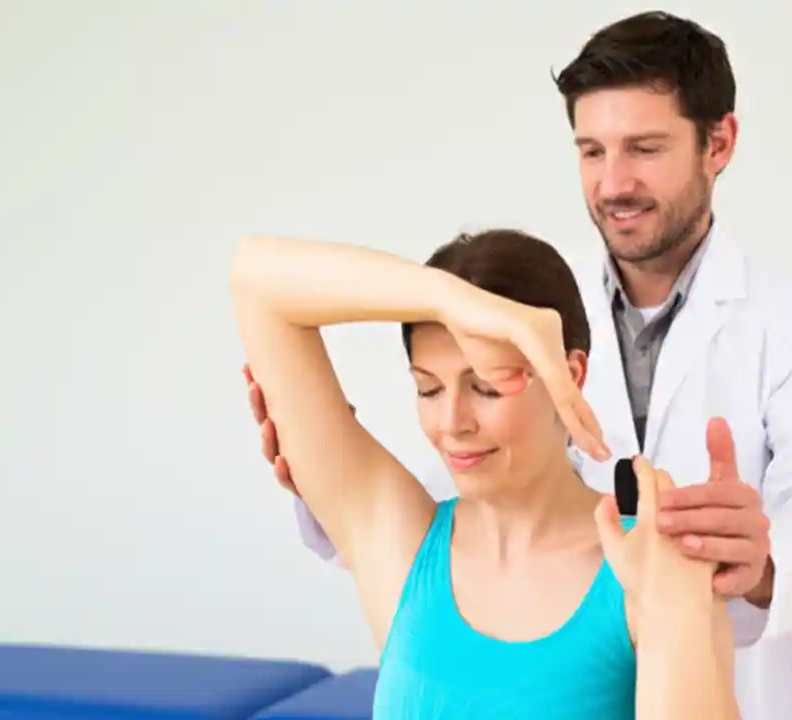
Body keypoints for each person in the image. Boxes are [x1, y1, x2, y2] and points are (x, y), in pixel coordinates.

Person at [245, 11, 792, 720]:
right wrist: (327, 458)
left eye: (644, 148)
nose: (614, 184)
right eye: (591, 151)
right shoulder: (524, 304)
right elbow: (481, 480)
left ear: (719, 143)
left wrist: (757, 564)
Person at [231, 229, 737, 719]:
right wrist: (444, 300)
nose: (453, 423)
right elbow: (257, 279)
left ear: (571, 374)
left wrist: (677, 616)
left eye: (487, 387)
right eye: (428, 389)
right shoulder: (397, 538)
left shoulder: (651, 570)